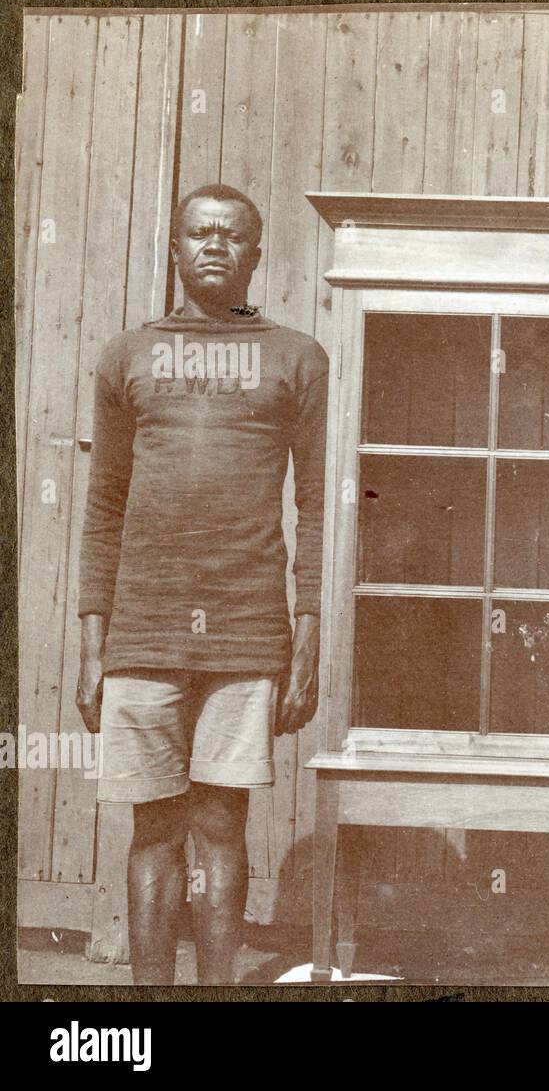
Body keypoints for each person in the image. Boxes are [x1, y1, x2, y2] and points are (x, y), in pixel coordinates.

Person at [76, 183, 328, 984]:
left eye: (231, 235)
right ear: (176, 249)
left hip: (247, 631)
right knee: (154, 829)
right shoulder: (128, 356)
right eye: (198, 233)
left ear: (257, 253)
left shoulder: (295, 357)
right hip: (143, 631)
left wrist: (306, 637)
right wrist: (94, 645)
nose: (213, 246)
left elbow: (318, 507)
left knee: (221, 822)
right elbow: (103, 505)